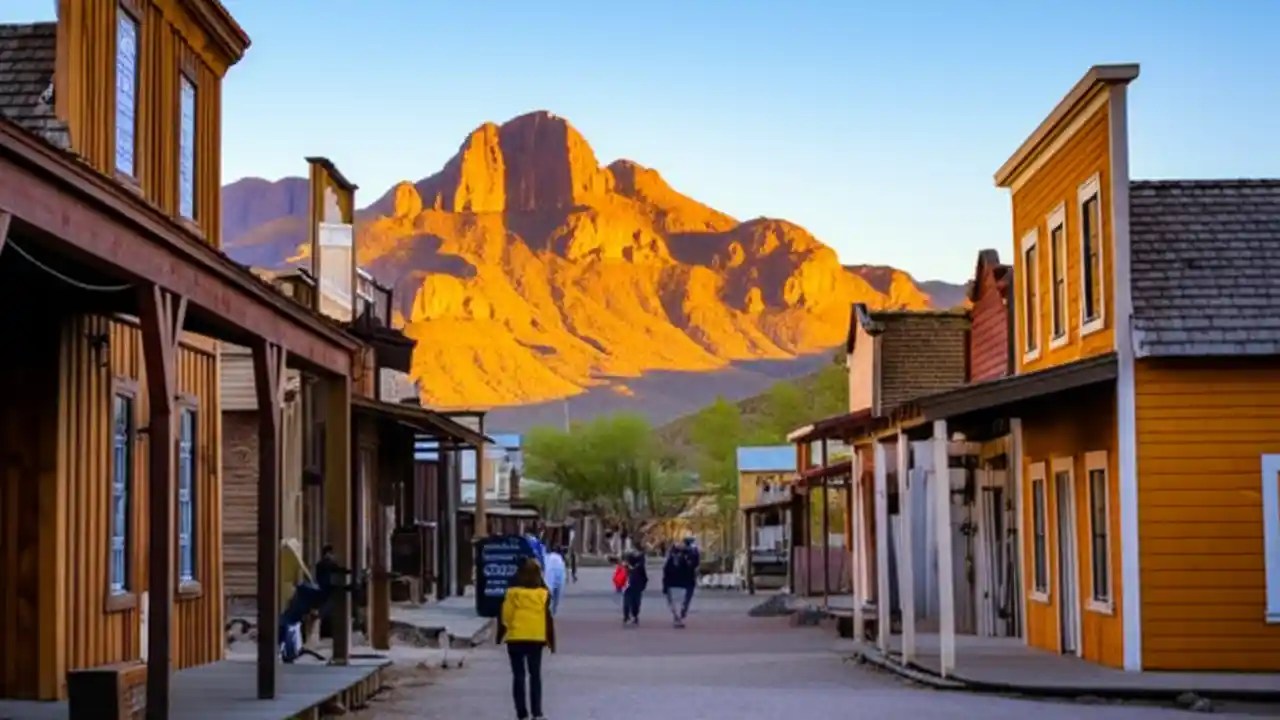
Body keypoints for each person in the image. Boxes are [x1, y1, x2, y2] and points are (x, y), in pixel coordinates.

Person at [500, 558, 556, 720]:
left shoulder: (512, 593)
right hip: (536, 638)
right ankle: (537, 713)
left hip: (516, 637)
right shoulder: (543, 595)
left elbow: (506, 616)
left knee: (518, 676)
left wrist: (512, 626)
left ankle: (521, 713)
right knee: (535, 675)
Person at [662, 536, 700, 627]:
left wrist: (665, 584)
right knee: (683, 601)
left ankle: (678, 617)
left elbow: (666, 570)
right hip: (685, 582)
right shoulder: (691, 555)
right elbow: (695, 564)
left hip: (673, 583)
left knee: (675, 602)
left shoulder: (672, 557)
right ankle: (680, 616)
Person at [622, 547, 648, 626]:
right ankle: (628, 616)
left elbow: (643, 575)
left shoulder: (640, 562)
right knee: (630, 600)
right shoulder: (628, 562)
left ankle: (633, 615)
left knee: (635, 601)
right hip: (630, 584)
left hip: (636, 584)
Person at [543, 545, 567, 615]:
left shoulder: (548, 557)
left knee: (549, 595)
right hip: (555, 574)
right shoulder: (558, 558)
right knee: (556, 598)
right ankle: (552, 612)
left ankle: (549, 611)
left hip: (550, 575)